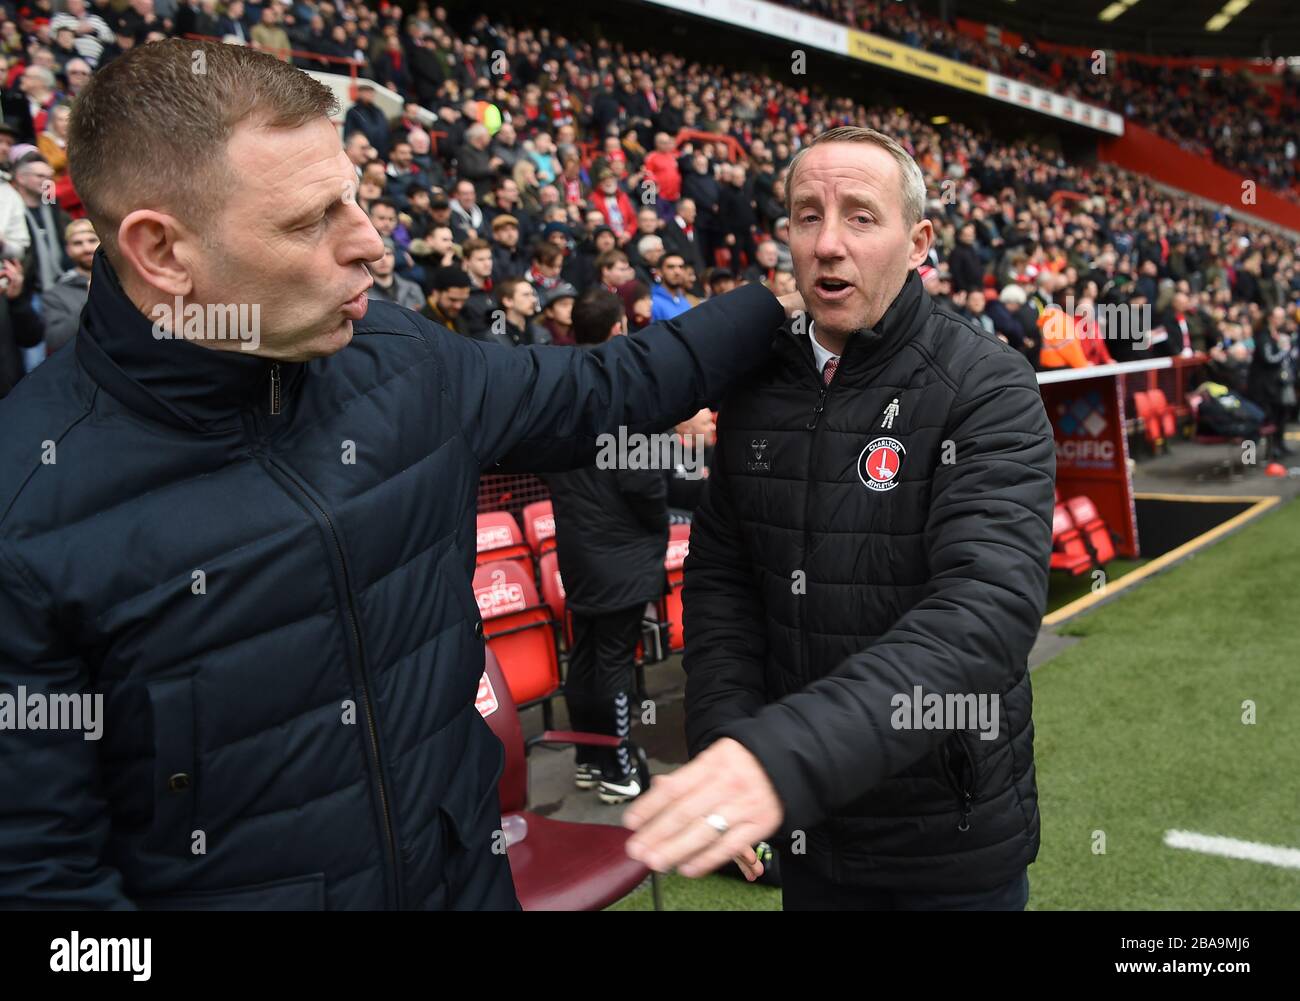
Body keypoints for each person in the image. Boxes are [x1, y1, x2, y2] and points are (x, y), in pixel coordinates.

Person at [0, 39, 795, 910]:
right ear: (161, 250)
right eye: (310, 221)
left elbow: (608, 386)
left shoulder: (404, 360)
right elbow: (45, 883)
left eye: (353, 198)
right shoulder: (27, 503)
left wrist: (779, 304)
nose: (371, 245)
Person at [624, 126, 1055, 911]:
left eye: (860, 216)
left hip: (947, 840)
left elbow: (986, 612)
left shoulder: (986, 386)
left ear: (918, 242)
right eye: (806, 216)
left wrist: (779, 759)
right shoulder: (757, 385)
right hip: (808, 835)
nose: (828, 243)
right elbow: (724, 577)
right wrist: (726, 737)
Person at [544, 287, 670, 803]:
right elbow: (644, 483)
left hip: (580, 548)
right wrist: (658, 523)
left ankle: (589, 760)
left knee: (588, 658)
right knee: (612, 661)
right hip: (620, 551)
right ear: (619, 328)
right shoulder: (623, 386)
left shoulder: (557, 385)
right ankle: (617, 769)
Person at [39, 218, 98, 353]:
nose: (86, 248)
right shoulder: (55, 295)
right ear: (68, 250)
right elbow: (55, 340)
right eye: (78, 243)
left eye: (92, 240)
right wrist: (89, 303)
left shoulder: (123, 281)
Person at [365, 236, 425, 313]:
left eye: (388, 254)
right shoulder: (363, 295)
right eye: (377, 256)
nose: (383, 259)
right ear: (368, 261)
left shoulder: (413, 289)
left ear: (394, 257)